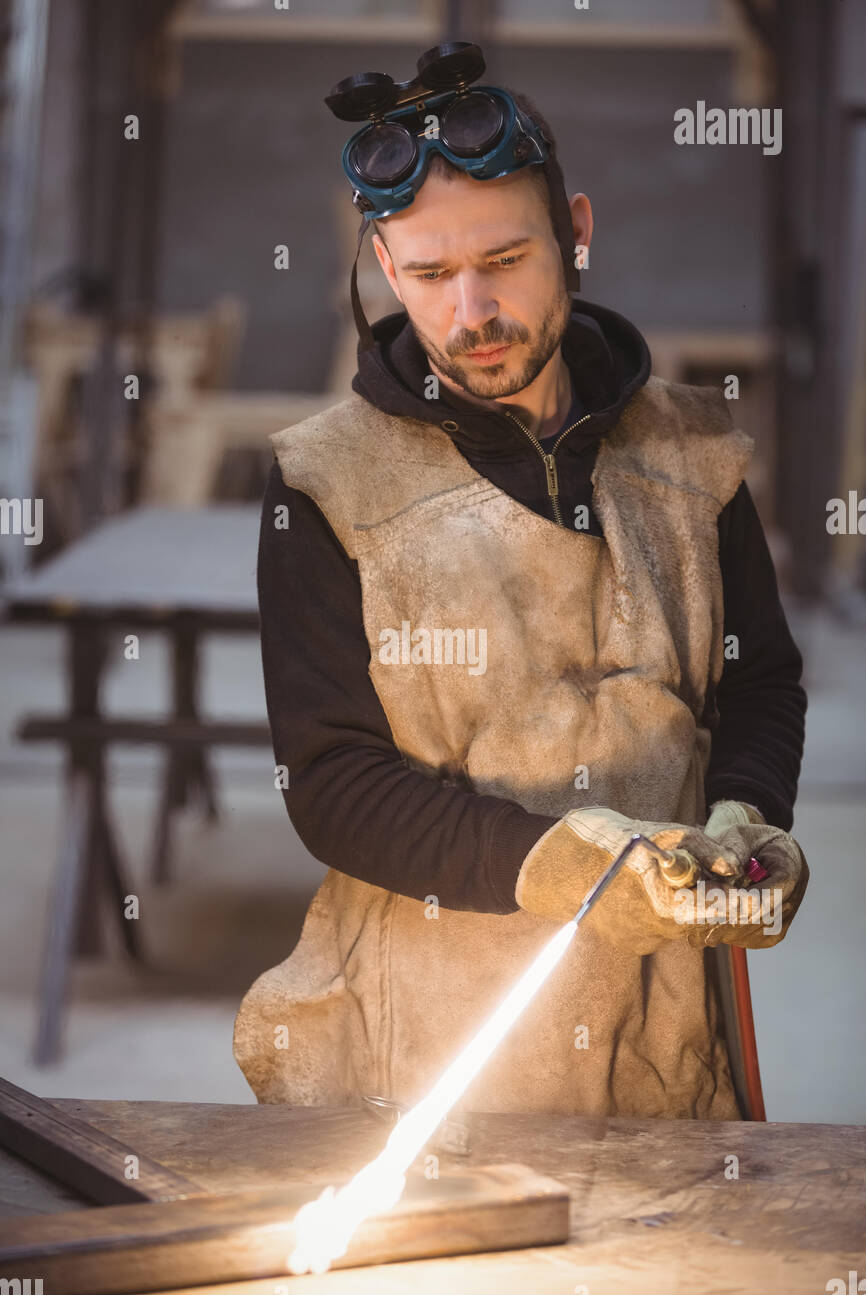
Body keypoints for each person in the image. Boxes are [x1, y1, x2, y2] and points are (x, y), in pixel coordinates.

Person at [233, 55, 808, 1120]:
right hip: (428, 1032)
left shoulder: (691, 451)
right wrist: (555, 863)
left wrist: (746, 809)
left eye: (504, 258)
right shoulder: (324, 481)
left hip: (664, 1024)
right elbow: (330, 783)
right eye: (428, 273)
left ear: (574, 232)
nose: (471, 310)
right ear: (382, 264)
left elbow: (760, 680)